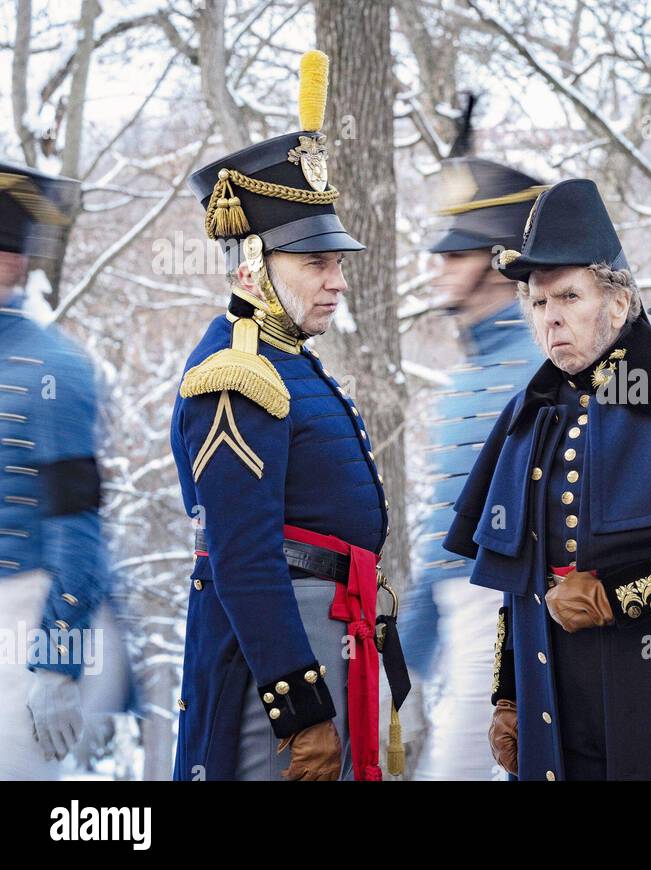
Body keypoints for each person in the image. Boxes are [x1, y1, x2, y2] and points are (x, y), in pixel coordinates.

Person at [170, 50, 406, 782]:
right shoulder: (235, 373)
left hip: (331, 630)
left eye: (336, 263)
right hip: (282, 655)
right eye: (315, 264)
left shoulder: (288, 361)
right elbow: (242, 556)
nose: (337, 281)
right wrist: (300, 708)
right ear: (252, 270)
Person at [443, 179, 651, 780]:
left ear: (618, 302)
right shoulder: (529, 410)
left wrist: (619, 599)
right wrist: (507, 695)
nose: (551, 319)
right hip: (551, 703)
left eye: (568, 297)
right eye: (538, 304)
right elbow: (517, 575)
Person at [405, 150, 545, 780]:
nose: (439, 269)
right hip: (464, 617)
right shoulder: (469, 375)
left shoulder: (540, 369)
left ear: (499, 262)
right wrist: (405, 658)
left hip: (513, 618)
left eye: (456, 255)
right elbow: (444, 537)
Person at [0, 161, 106, 779]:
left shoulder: (55, 369)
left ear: (13, 262)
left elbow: (79, 529)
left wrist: (57, 662)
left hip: (21, 625)